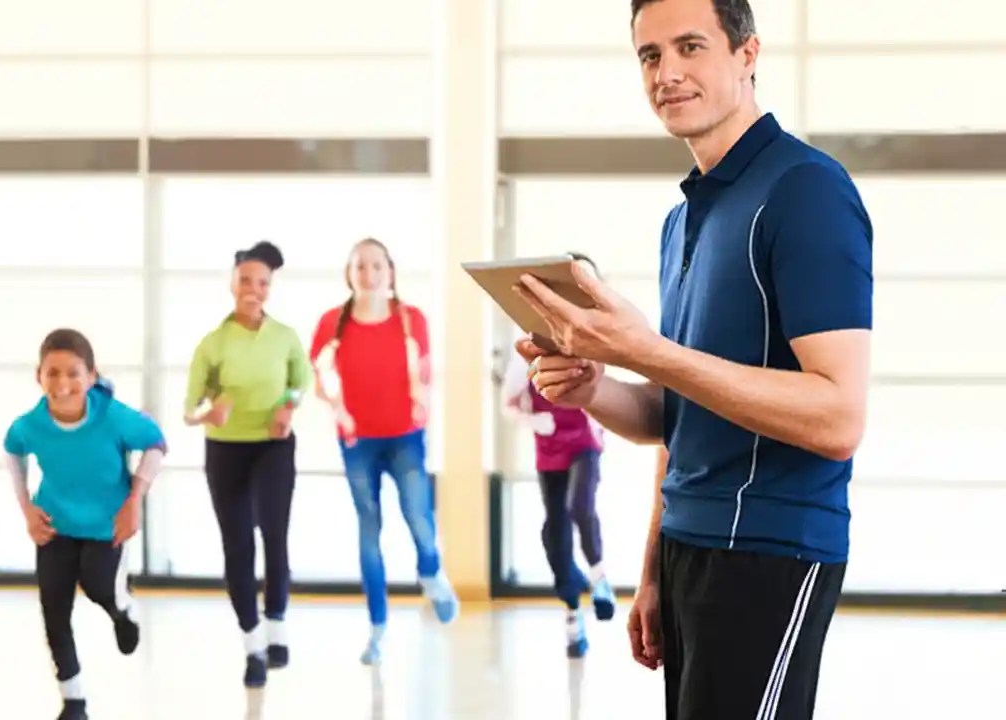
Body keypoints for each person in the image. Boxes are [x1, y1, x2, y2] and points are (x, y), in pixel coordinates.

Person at [514, 0, 872, 717]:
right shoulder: (682, 220)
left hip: (772, 547)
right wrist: (595, 386)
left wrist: (649, 350)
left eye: (689, 47)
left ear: (747, 54)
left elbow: (838, 416)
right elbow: (676, 413)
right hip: (688, 547)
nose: (667, 73)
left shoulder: (805, 190)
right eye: (650, 56)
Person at [308, 238, 459, 666]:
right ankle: (376, 629)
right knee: (369, 530)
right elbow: (316, 374)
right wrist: (337, 408)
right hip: (357, 444)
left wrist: (423, 400)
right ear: (349, 274)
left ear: (390, 272)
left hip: (405, 437)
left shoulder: (412, 319)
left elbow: (425, 370)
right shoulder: (330, 323)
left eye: (376, 266)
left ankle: (431, 573)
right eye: (360, 266)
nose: (369, 274)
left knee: (418, 516)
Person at [3, 328, 167, 720]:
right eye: (52, 373)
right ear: (38, 376)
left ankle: (120, 609)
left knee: (97, 586)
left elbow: (156, 442)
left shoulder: (112, 415)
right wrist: (26, 507)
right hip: (55, 525)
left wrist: (134, 499)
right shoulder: (29, 425)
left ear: (91, 376)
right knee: (53, 610)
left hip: (107, 525)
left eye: (73, 373)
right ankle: (73, 700)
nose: (62, 384)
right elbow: (12, 454)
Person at [183, 240, 313, 688]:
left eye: (262, 282)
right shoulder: (212, 344)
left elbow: (302, 381)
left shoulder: (285, 337)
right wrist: (208, 413)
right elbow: (189, 407)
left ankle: (277, 629)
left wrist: (287, 407)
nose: (253, 289)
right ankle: (253, 645)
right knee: (238, 545)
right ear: (232, 284)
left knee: (274, 536)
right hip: (225, 451)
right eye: (245, 281)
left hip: (274, 446)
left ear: (270, 288)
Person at [500, 348, 613, 659]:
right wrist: (533, 420)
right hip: (549, 449)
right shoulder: (522, 355)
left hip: (584, 442)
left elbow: (605, 389)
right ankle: (573, 619)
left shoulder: (583, 341)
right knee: (555, 531)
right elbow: (508, 405)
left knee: (580, 505)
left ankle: (599, 579)